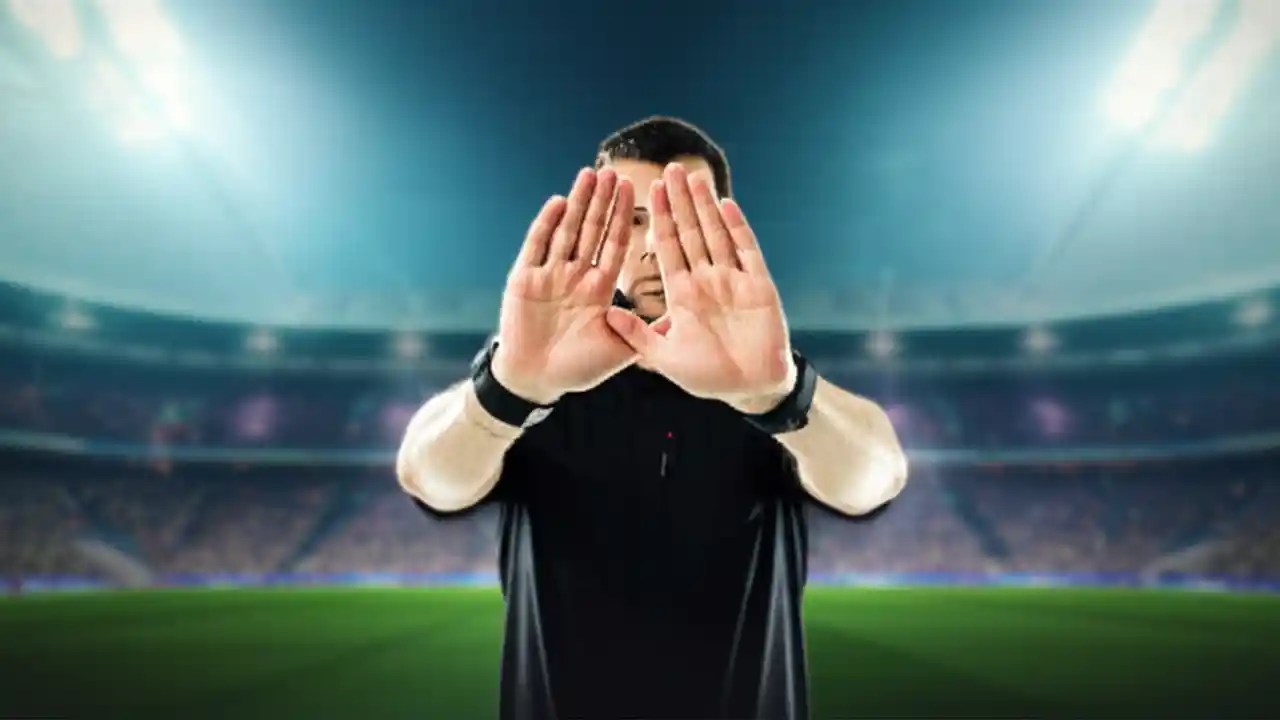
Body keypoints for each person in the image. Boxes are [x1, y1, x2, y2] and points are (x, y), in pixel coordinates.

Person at [396, 116, 908, 720]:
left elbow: (876, 479)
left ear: (718, 228)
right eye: (634, 220)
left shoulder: (763, 377)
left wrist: (780, 394)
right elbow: (430, 478)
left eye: (676, 222)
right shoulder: (539, 374)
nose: (653, 248)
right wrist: (508, 392)